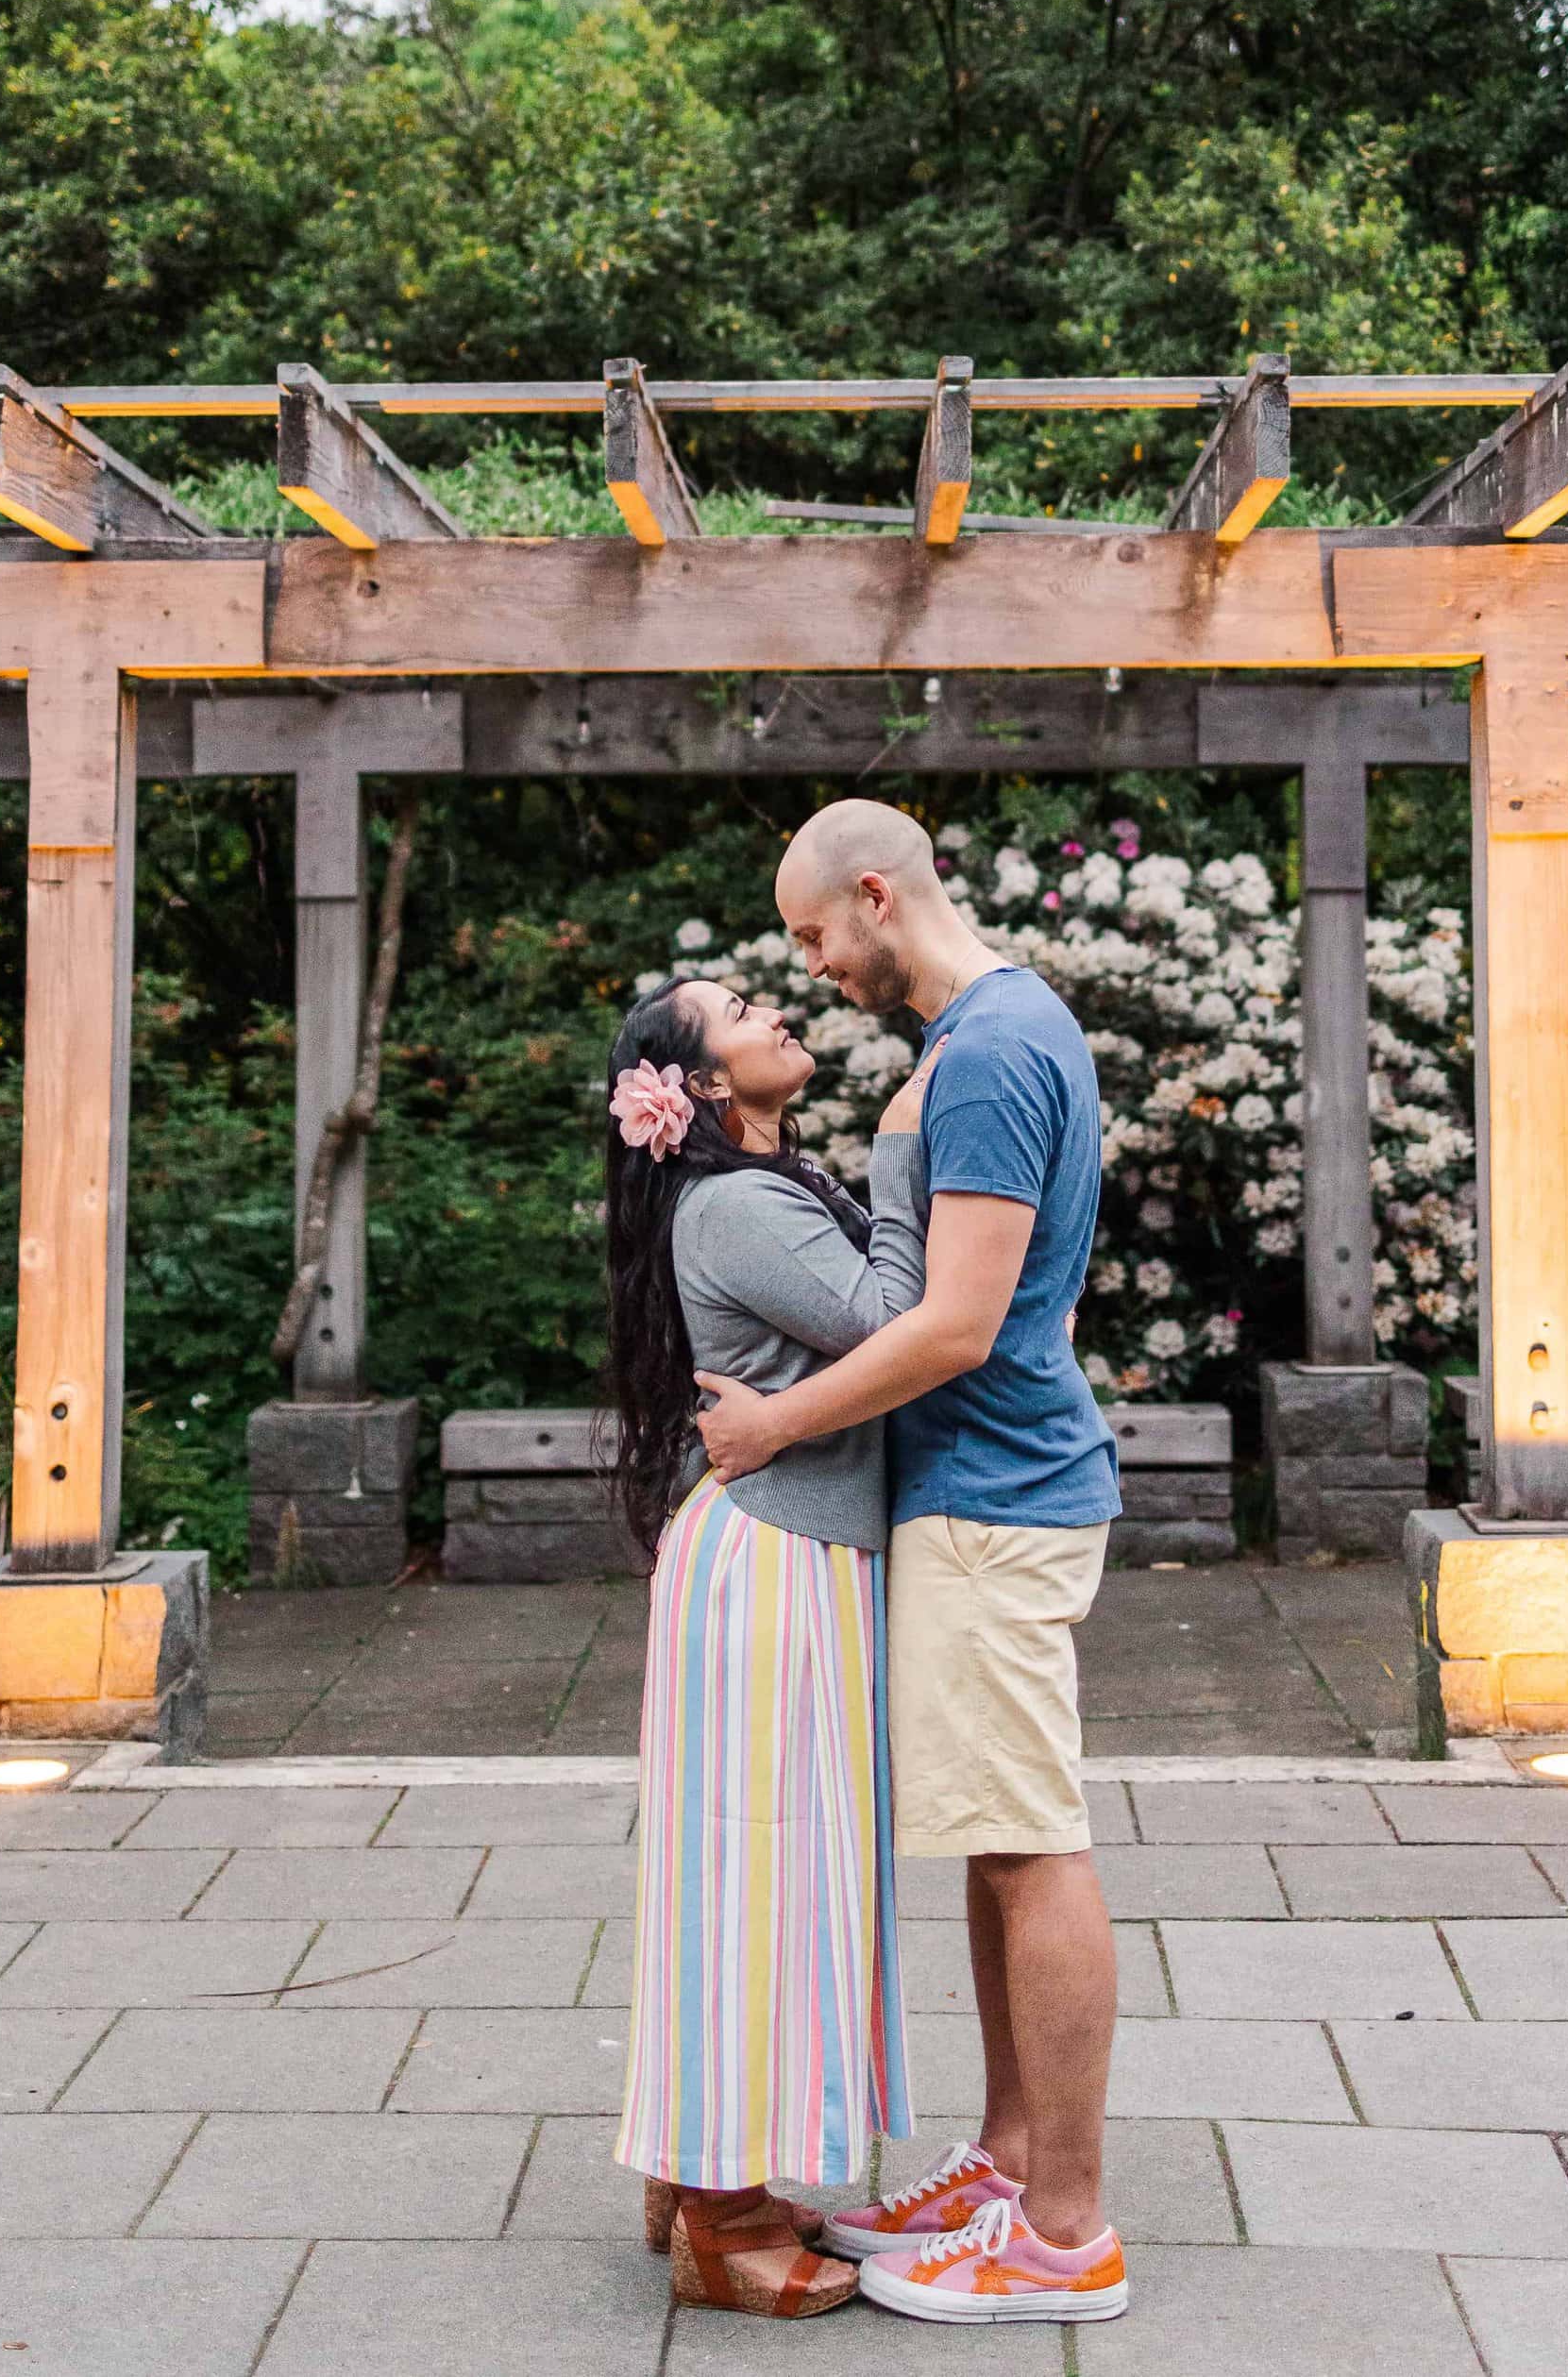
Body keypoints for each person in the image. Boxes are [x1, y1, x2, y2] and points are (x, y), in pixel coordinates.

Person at [697, 799, 1130, 2329]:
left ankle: (1064, 2235)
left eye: (815, 934)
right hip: (979, 1486)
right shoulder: (984, 1040)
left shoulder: (999, 1047)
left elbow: (954, 1321)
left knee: (1031, 1841)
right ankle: (1010, 2164)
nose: (811, 966)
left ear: (878, 894)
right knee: (994, 1842)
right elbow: (1032, 1301)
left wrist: (770, 1427)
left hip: (999, 1495)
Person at [602, 969, 929, 2321]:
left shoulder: (760, 1191)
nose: (779, 1013)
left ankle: (708, 2177)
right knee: (759, 1872)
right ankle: (727, 2225)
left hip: (788, 1553)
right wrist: (911, 1151)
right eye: (742, 1011)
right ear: (705, 1084)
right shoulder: (735, 1205)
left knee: (769, 1870)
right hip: (774, 1565)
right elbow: (890, 1322)